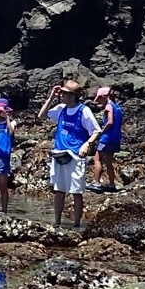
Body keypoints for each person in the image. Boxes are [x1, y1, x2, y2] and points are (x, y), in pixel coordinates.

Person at [37, 79, 102, 228]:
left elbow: (96, 130)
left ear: (72, 96)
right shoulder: (61, 108)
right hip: (59, 154)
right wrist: (52, 97)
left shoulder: (83, 110)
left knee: (76, 192)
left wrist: (87, 144)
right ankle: (57, 223)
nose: (62, 96)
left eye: (64, 94)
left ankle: (77, 225)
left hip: (75, 155)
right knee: (59, 191)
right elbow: (42, 116)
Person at [90, 87, 124, 192]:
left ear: (104, 97)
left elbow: (110, 122)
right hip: (116, 138)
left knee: (97, 159)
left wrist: (101, 132)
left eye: (99, 99)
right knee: (108, 161)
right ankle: (111, 184)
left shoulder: (109, 106)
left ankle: (96, 183)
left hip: (107, 138)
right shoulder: (117, 107)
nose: (99, 102)